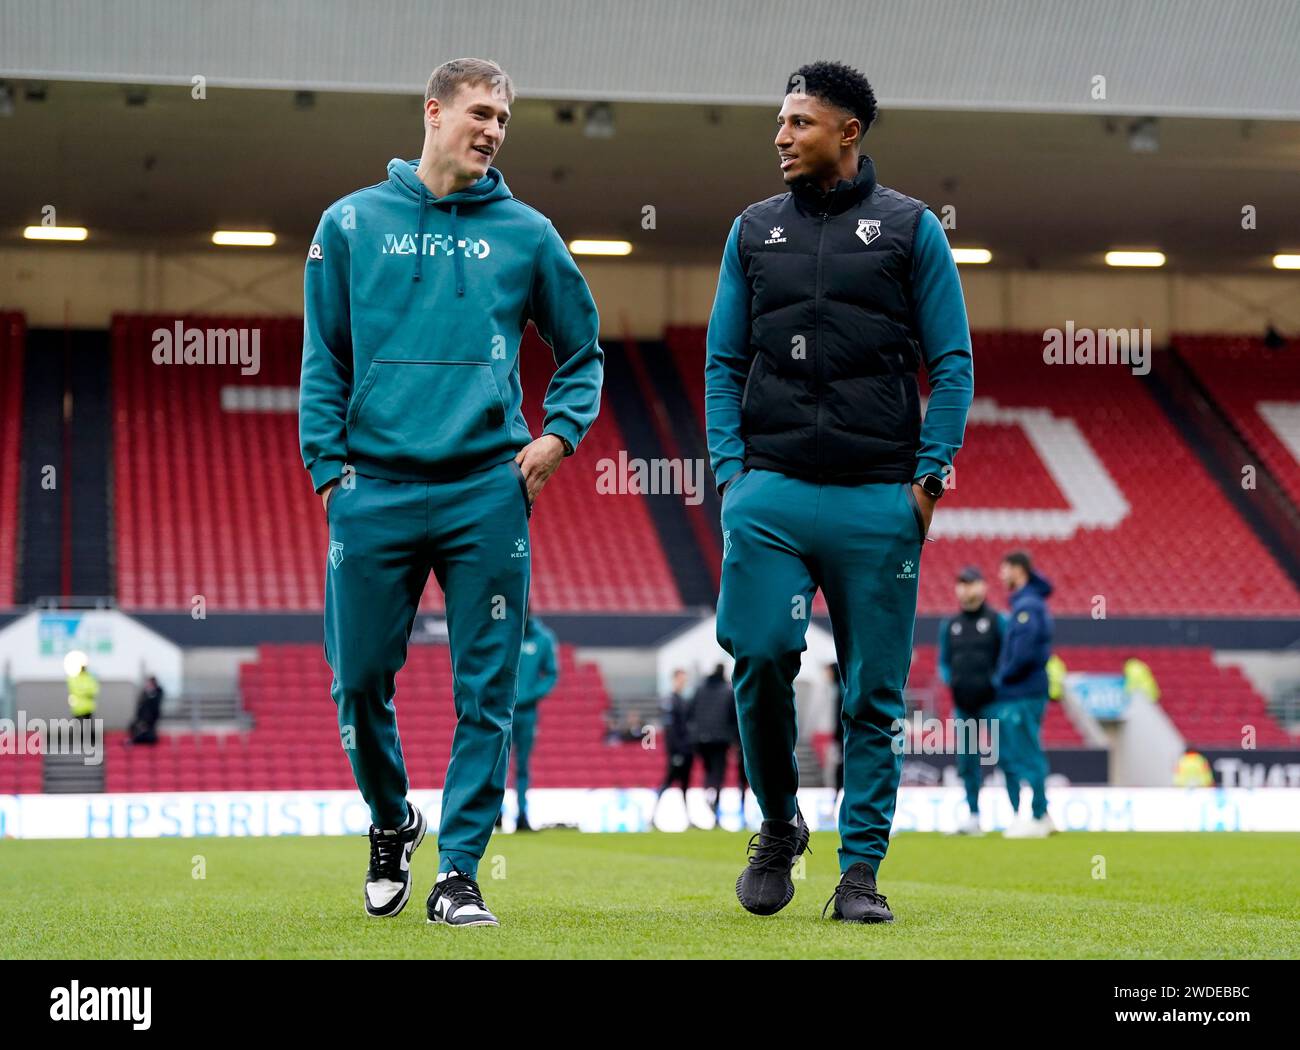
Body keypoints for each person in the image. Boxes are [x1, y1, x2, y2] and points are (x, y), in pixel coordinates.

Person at [299, 57, 604, 927]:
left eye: (504, 119)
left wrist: (558, 433)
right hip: (374, 488)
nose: (494, 130)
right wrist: (330, 473)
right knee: (357, 680)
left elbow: (583, 351)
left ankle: (459, 873)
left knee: (488, 692)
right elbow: (325, 356)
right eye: (479, 112)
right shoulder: (350, 223)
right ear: (433, 112)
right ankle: (393, 820)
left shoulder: (528, 232)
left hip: (486, 490)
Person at [707, 61, 972, 923]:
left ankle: (860, 873)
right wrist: (731, 477)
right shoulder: (751, 230)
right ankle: (780, 826)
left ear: (848, 132)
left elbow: (954, 363)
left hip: (877, 500)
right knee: (757, 659)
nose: (781, 136)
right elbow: (721, 362)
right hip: (771, 493)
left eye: (799, 122)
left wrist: (928, 481)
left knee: (872, 694)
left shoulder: (911, 230)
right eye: (780, 122)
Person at [990, 551, 1055, 838]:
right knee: (1022, 752)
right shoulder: (1027, 603)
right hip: (1024, 691)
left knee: (1025, 753)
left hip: (1022, 692)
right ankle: (1038, 815)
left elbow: (1024, 653)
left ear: (1019, 570)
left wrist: (1001, 678)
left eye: (1005, 569)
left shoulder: (1027, 605)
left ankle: (1038, 815)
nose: (1001, 575)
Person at [937, 567, 1004, 835]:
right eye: (961, 583)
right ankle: (974, 815)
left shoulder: (997, 620)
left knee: (1007, 755)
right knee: (967, 761)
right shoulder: (950, 624)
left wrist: (995, 682)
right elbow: (943, 661)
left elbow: (1007, 657)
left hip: (993, 703)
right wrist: (950, 680)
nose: (966, 589)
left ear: (984, 586)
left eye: (971, 583)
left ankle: (1018, 815)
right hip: (963, 704)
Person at [509, 614, 558, 831]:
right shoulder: (506, 633)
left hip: (527, 713)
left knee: (522, 766)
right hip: (502, 711)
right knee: (495, 765)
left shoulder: (543, 638)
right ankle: (495, 814)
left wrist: (532, 694)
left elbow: (552, 674)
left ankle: (522, 813)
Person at [690, 664, 739, 825]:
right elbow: (734, 717)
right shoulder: (728, 691)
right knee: (718, 773)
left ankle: (707, 793)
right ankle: (713, 799)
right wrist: (736, 740)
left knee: (708, 770)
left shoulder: (699, 690)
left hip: (701, 739)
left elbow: (690, 712)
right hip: (720, 740)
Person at [654, 669, 696, 815]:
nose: (683, 682)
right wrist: (675, 751)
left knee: (684, 785)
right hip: (678, 751)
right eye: (681, 679)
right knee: (668, 781)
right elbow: (670, 730)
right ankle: (653, 815)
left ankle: (687, 817)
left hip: (686, 750)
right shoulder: (670, 701)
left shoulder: (683, 701)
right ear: (674, 680)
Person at [129, 675, 164, 745]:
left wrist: (151, 694)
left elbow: (156, 703)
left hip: (152, 717)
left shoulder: (158, 691)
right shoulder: (144, 692)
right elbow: (140, 704)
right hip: (143, 717)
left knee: (150, 735)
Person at [66, 655, 99, 722]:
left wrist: (83, 692)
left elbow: (94, 690)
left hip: (88, 708)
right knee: (77, 728)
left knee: (87, 728)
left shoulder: (90, 677)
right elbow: (73, 690)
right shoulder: (74, 677)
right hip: (77, 708)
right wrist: (86, 692)